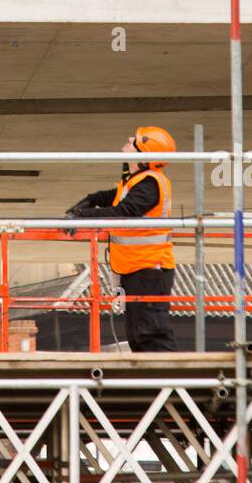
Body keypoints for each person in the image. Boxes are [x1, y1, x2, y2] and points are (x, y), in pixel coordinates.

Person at [66, 126, 178, 353]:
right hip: (138, 268)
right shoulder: (138, 180)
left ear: (143, 156)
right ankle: (154, 383)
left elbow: (124, 211)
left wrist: (81, 216)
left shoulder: (150, 183)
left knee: (151, 334)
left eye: (134, 141)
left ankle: (168, 383)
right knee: (138, 334)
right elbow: (117, 196)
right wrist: (92, 200)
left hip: (149, 269)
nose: (128, 139)